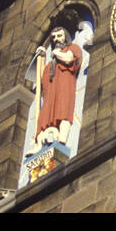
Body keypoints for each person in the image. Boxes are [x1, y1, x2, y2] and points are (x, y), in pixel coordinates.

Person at [27, 27, 82, 155]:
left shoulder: (73, 48)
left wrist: (56, 53)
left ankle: (62, 139)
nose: (57, 39)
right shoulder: (50, 63)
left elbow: (69, 59)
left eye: (59, 35)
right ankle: (39, 144)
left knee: (63, 111)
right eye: (54, 37)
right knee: (44, 115)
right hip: (51, 93)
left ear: (66, 37)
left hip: (65, 87)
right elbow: (41, 81)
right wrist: (42, 57)